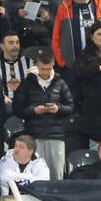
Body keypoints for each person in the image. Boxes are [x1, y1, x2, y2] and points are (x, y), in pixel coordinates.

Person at [13, 51, 75, 180]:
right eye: (42, 69)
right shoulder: (26, 84)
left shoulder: (60, 83)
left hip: (56, 136)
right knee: (36, 175)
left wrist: (58, 108)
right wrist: (34, 111)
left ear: (53, 66)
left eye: (49, 68)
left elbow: (71, 107)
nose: (46, 72)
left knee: (57, 174)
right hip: (34, 136)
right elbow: (17, 109)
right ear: (36, 66)